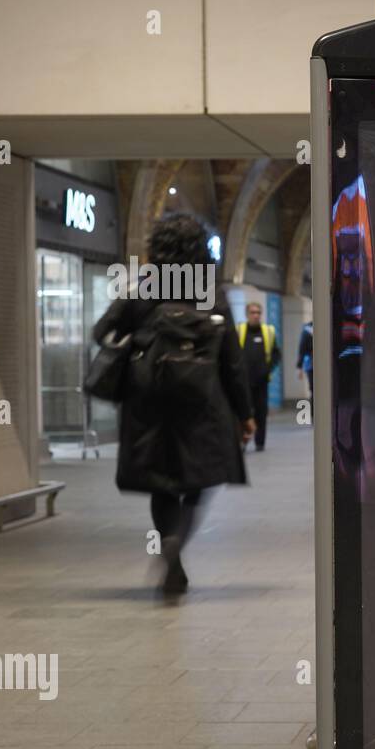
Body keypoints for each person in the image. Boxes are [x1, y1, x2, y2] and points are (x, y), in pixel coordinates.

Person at [93, 213, 255, 598]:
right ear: (199, 248)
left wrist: (136, 342)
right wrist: (245, 413)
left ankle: (169, 547)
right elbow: (231, 359)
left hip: (147, 400)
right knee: (201, 477)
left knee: (161, 482)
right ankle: (176, 541)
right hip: (202, 400)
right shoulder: (209, 292)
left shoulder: (141, 290)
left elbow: (102, 332)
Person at [238, 301, 280, 451]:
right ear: (247, 314)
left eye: (258, 313)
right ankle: (242, 441)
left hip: (262, 382)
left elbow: (276, 354)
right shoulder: (239, 331)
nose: (256, 316)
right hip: (243, 381)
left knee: (261, 412)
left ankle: (260, 442)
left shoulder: (268, 331)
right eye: (252, 312)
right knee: (243, 412)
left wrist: (267, 369)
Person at [296, 319, 314, 399]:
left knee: (313, 389)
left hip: (311, 364)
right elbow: (302, 349)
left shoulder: (307, 330)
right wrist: (299, 367)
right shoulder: (307, 330)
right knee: (314, 389)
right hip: (311, 363)